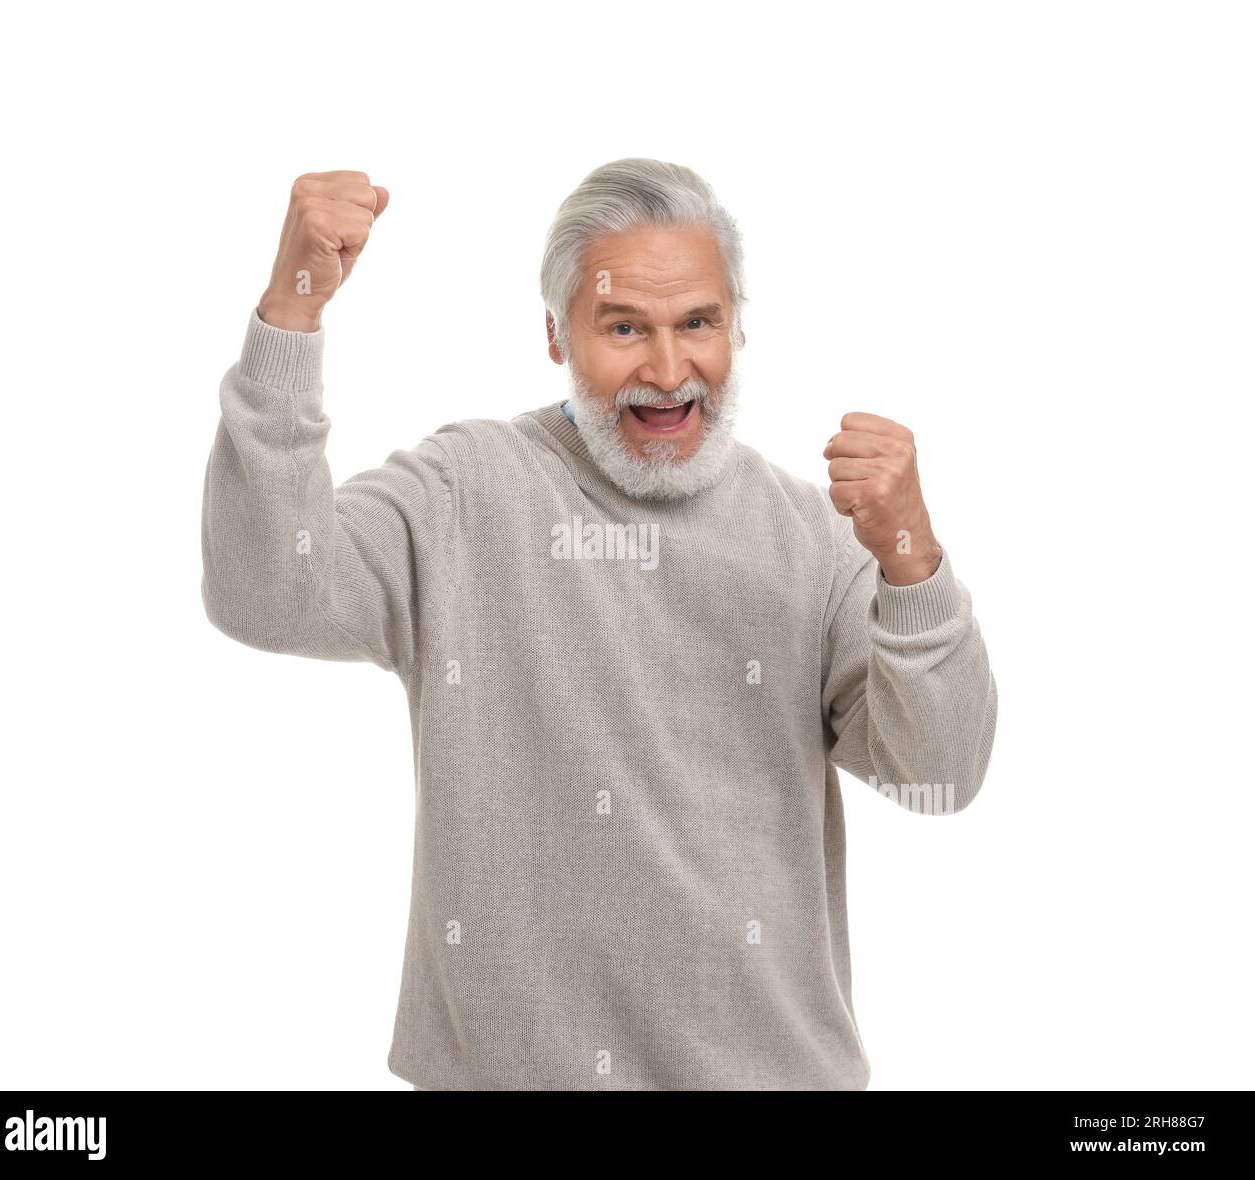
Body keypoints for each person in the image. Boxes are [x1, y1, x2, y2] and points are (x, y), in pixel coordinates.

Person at [201, 158, 998, 1090]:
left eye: (698, 322)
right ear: (554, 335)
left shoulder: (813, 542)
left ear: (738, 325)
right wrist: (291, 316)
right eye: (625, 327)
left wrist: (911, 557)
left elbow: (940, 775)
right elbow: (264, 590)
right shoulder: (467, 492)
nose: (668, 372)